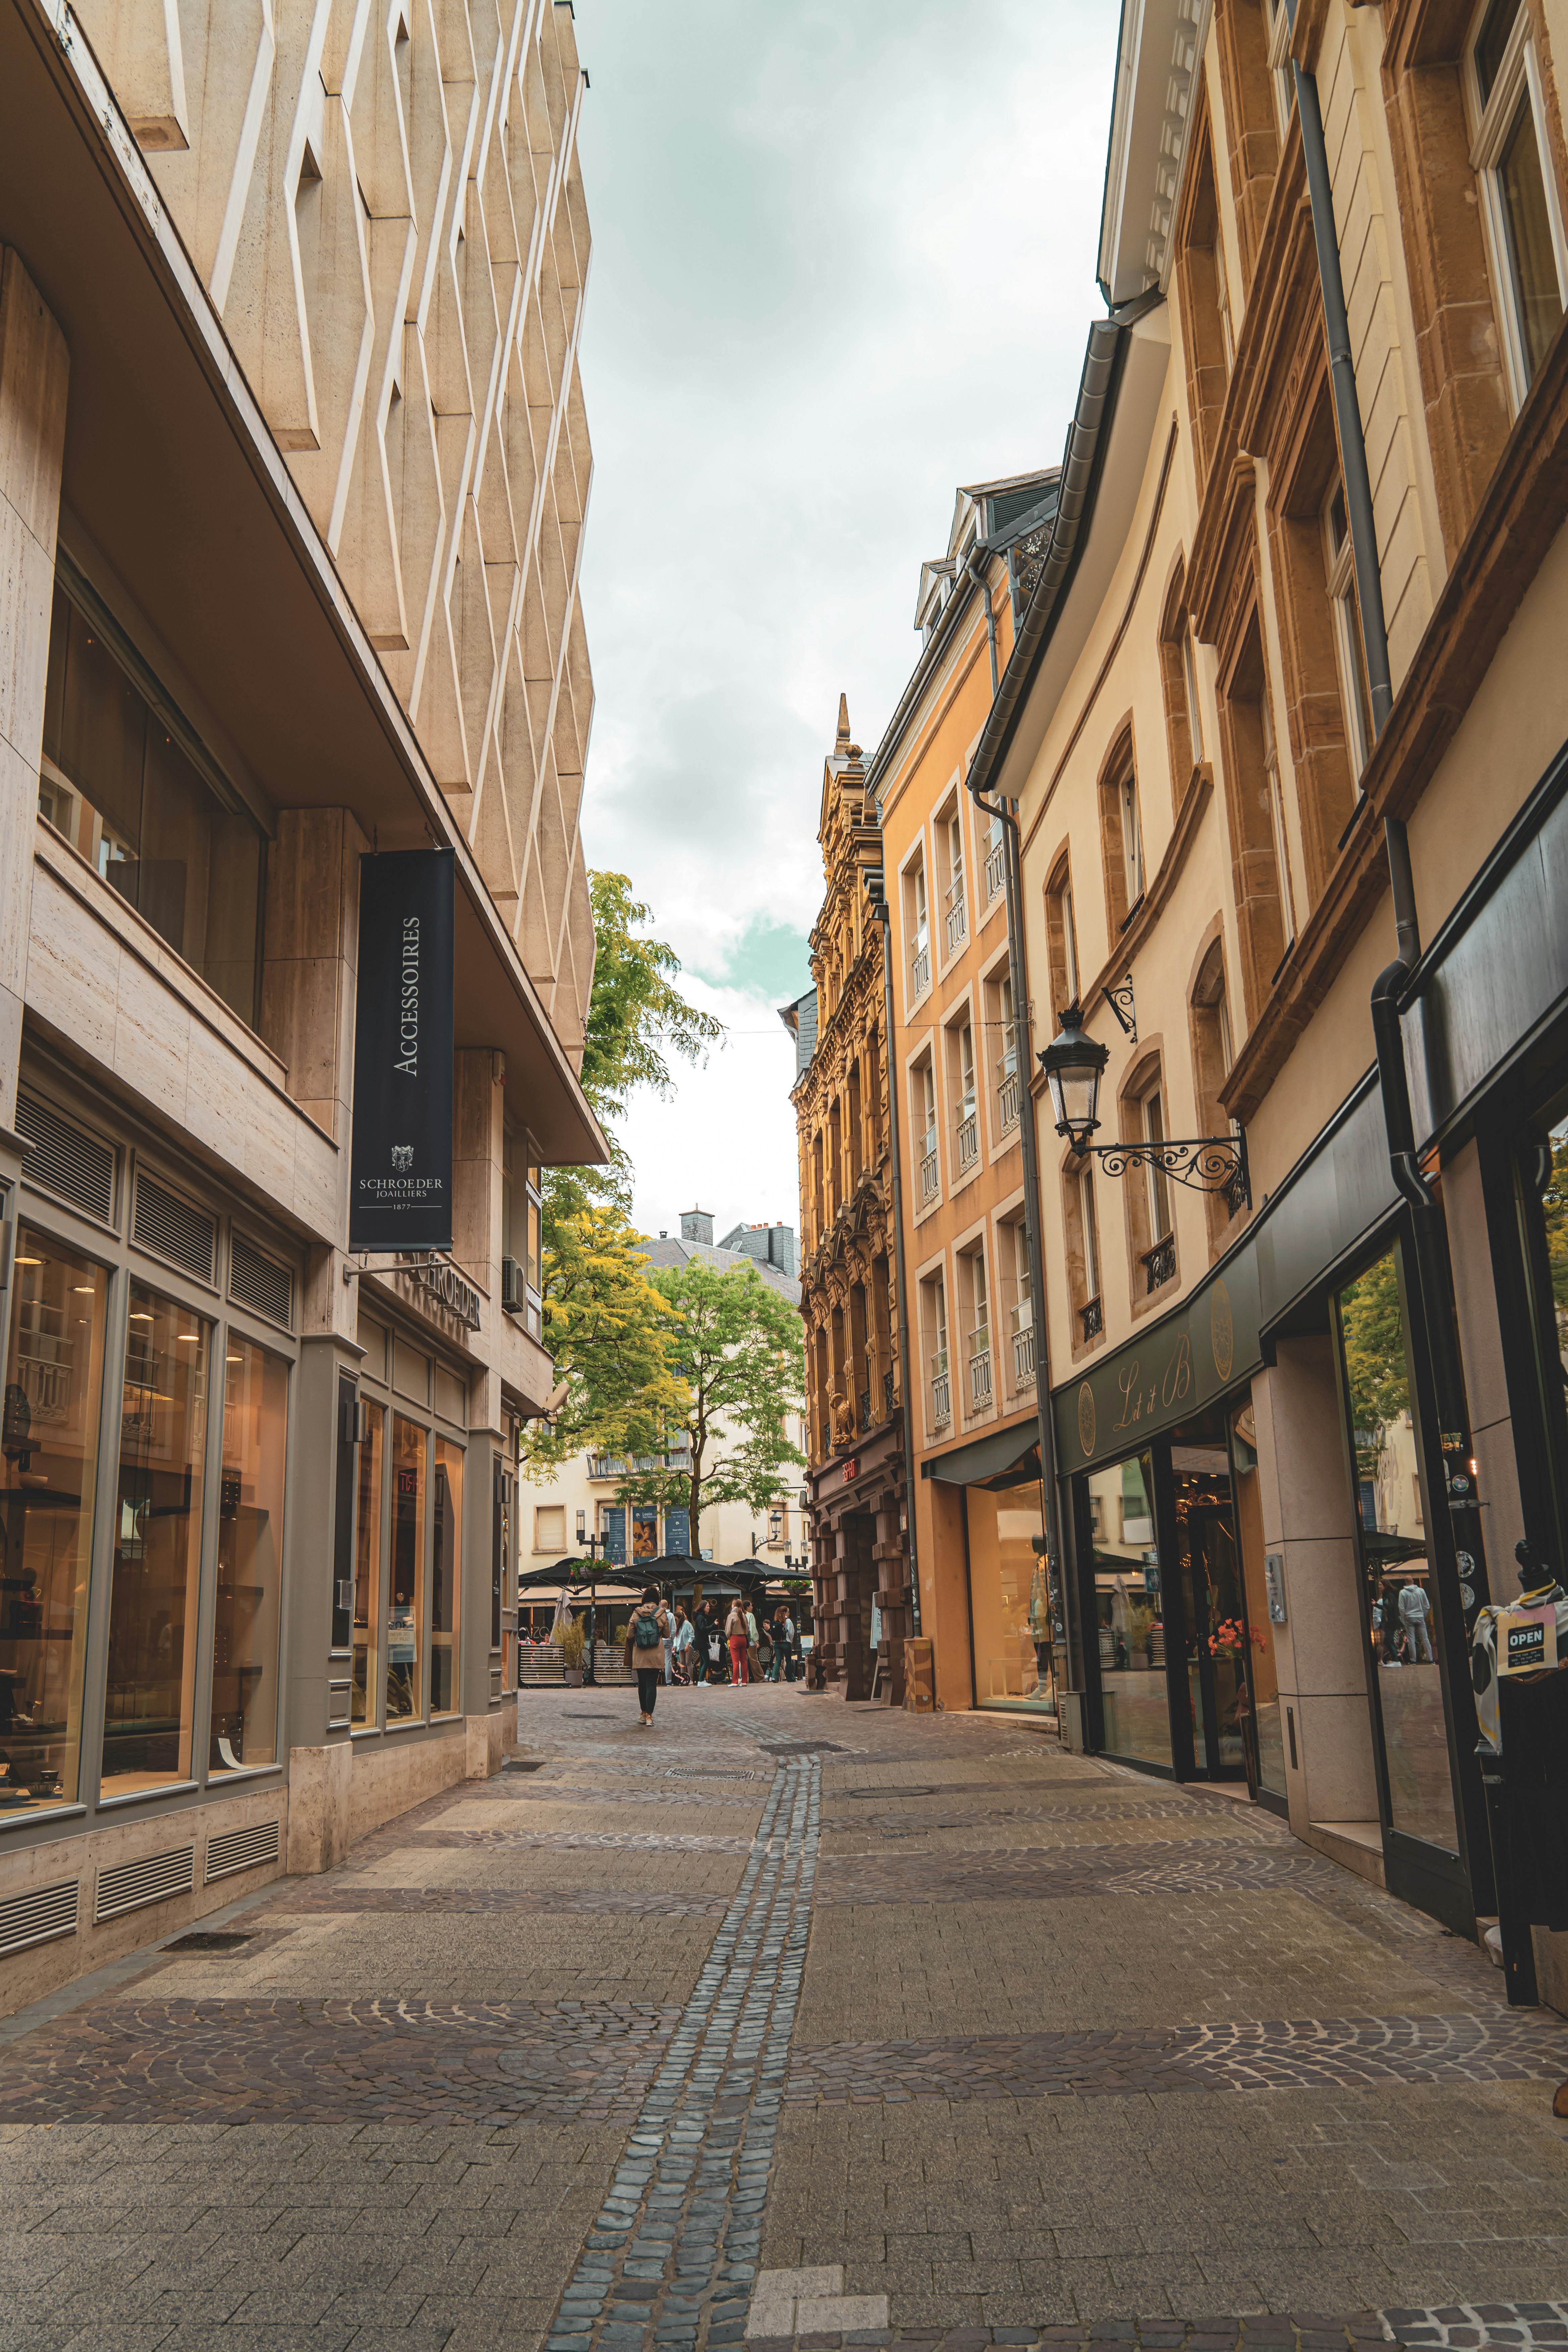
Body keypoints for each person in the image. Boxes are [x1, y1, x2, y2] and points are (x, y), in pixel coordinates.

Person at [627, 1584, 671, 1724]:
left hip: (640, 1653)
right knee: (652, 1683)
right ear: (657, 1599)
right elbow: (667, 1634)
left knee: (642, 1684)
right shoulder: (662, 1613)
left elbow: (630, 1635)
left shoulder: (636, 1613)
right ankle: (650, 1717)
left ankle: (643, 1713)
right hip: (655, 1653)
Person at [1398, 1574, 1435, 1664]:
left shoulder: (1403, 1593)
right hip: (1420, 1617)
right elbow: (1427, 1606)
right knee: (1425, 1638)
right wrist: (1423, 1615)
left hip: (1409, 1618)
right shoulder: (1421, 1591)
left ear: (1406, 1583)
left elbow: (1401, 1608)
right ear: (1413, 1581)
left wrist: (1404, 1618)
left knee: (1411, 1639)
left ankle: (1413, 1660)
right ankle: (1430, 1659)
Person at [726, 1598, 748, 1687]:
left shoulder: (731, 1616)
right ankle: (744, 1681)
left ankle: (735, 1681)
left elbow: (728, 1630)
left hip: (735, 1638)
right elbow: (747, 1629)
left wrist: (730, 1638)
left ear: (734, 1605)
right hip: (743, 1638)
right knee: (744, 1661)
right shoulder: (743, 1615)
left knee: (735, 1662)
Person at [672, 1603, 694, 1685]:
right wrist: (675, 1646)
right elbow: (676, 1637)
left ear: (680, 1618)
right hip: (681, 1647)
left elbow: (692, 1635)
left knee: (688, 1663)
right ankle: (684, 1679)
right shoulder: (679, 1626)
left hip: (688, 1646)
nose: (676, 1620)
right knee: (682, 1663)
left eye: (676, 1618)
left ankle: (691, 1680)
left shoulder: (688, 1625)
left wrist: (688, 1645)